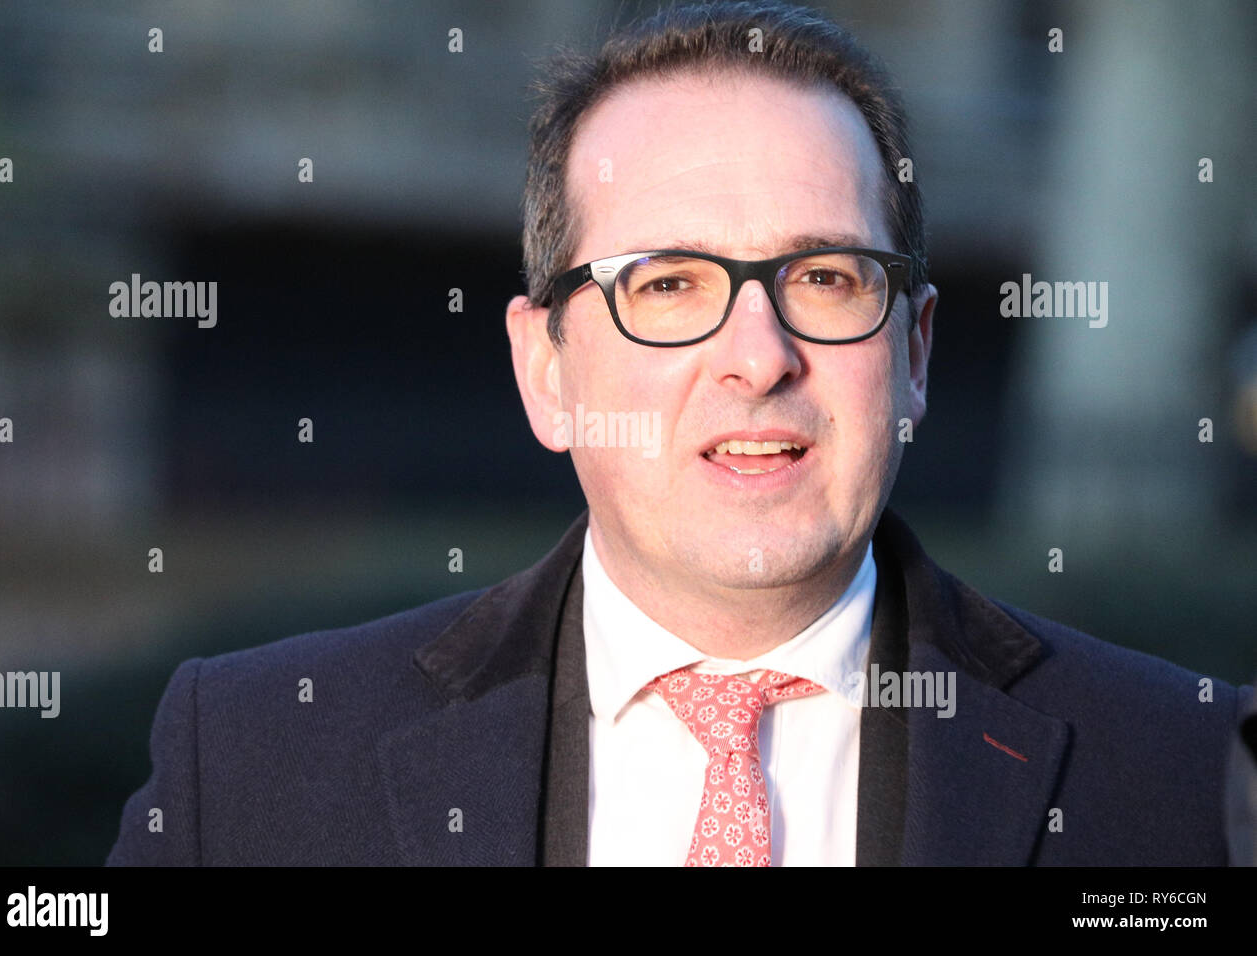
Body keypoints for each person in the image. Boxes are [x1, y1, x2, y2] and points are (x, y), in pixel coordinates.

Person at [107, 0, 1248, 867]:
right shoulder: (255, 766)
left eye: (827, 275)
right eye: (666, 286)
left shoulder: (1184, 777)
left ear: (913, 353)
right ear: (545, 368)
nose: (758, 355)